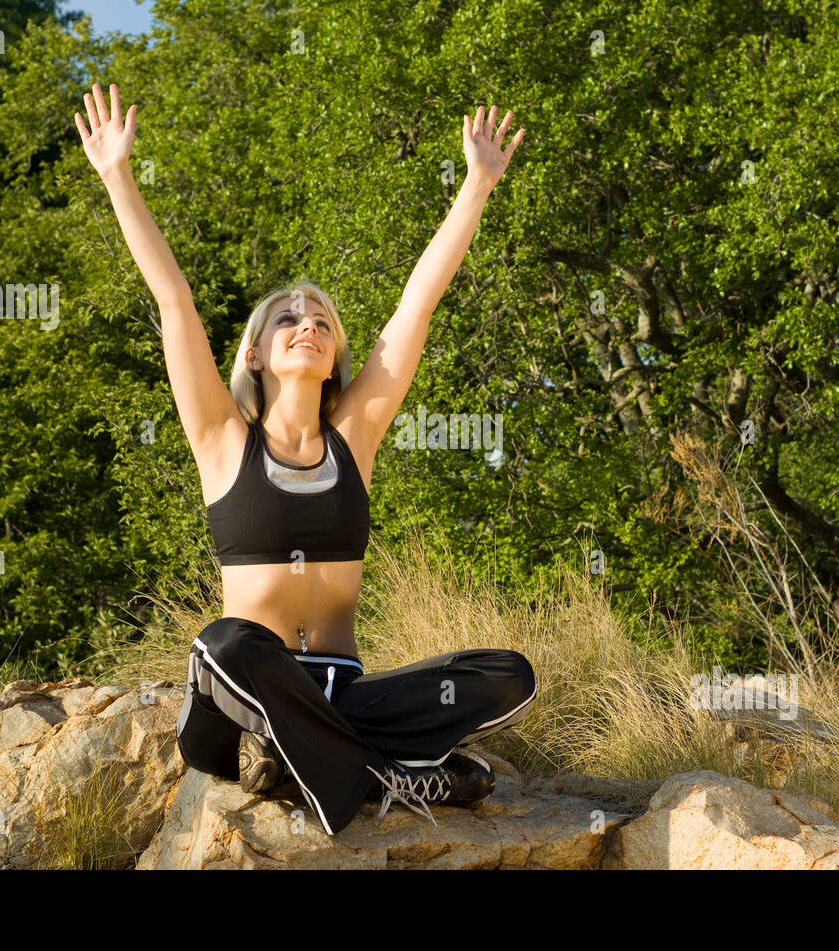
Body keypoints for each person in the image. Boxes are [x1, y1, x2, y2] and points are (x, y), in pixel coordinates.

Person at [76, 83, 534, 835]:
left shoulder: (356, 436)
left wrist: (477, 184)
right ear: (253, 352)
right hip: (238, 699)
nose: (307, 324)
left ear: (336, 353)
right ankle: (386, 771)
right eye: (287, 317)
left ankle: (335, 763)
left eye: (321, 319)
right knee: (222, 642)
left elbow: (416, 306)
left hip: (341, 693)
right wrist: (118, 177)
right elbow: (173, 303)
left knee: (507, 674)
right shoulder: (223, 439)